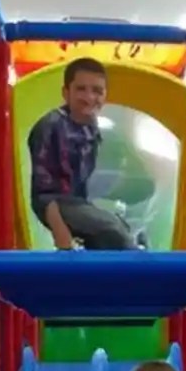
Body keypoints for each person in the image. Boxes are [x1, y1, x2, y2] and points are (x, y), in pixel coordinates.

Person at [28, 57, 139, 251]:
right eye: (81, 89)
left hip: (75, 202)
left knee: (117, 228)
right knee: (114, 229)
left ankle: (105, 274)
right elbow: (44, 193)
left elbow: (80, 184)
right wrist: (60, 233)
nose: (89, 97)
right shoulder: (50, 126)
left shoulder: (91, 128)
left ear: (105, 95)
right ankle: (138, 272)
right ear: (66, 93)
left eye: (97, 91)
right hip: (54, 205)